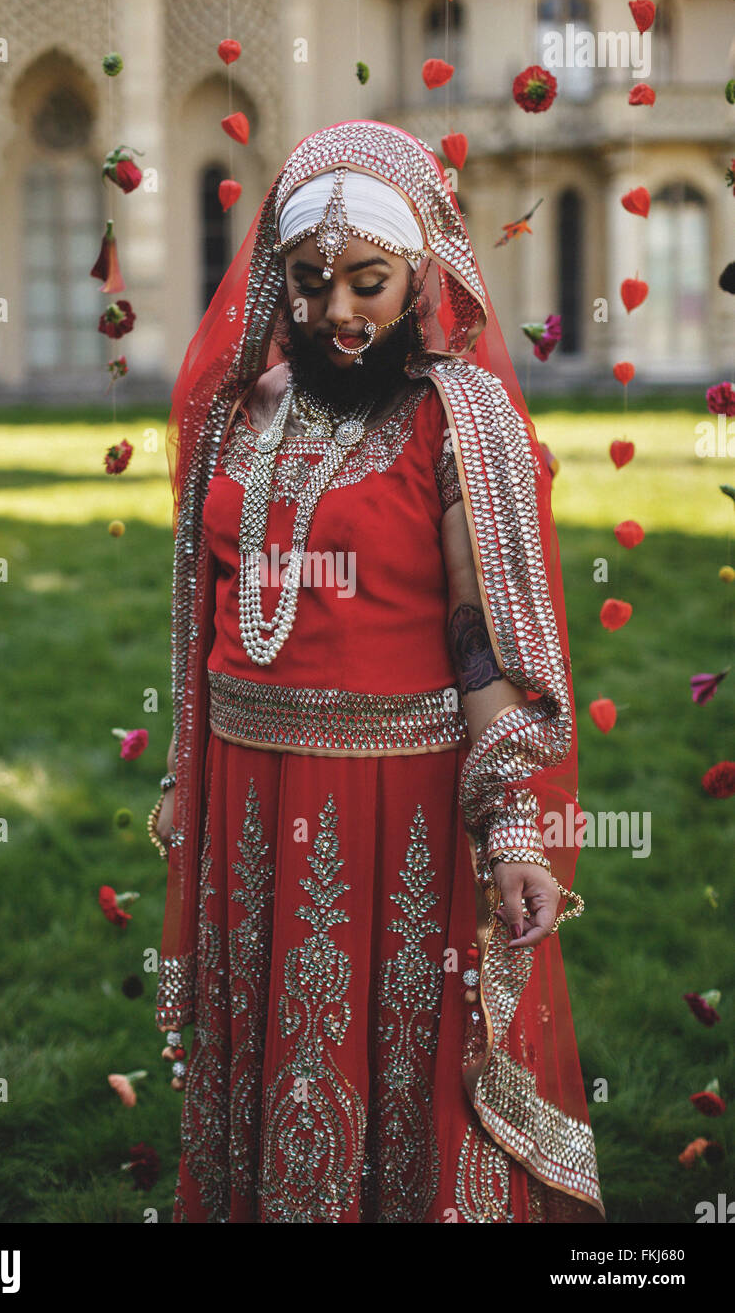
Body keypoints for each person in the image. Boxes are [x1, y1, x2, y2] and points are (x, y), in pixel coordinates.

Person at [151, 119, 605, 1223]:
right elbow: (201, 612)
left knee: (400, 1058)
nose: (337, 312)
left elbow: (481, 634)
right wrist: (182, 770)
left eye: (367, 281)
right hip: (246, 790)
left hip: (397, 804)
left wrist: (512, 829)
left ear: (420, 274)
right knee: (271, 1048)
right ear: (278, 277)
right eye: (309, 282)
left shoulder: (461, 417)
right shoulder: (234, 417)